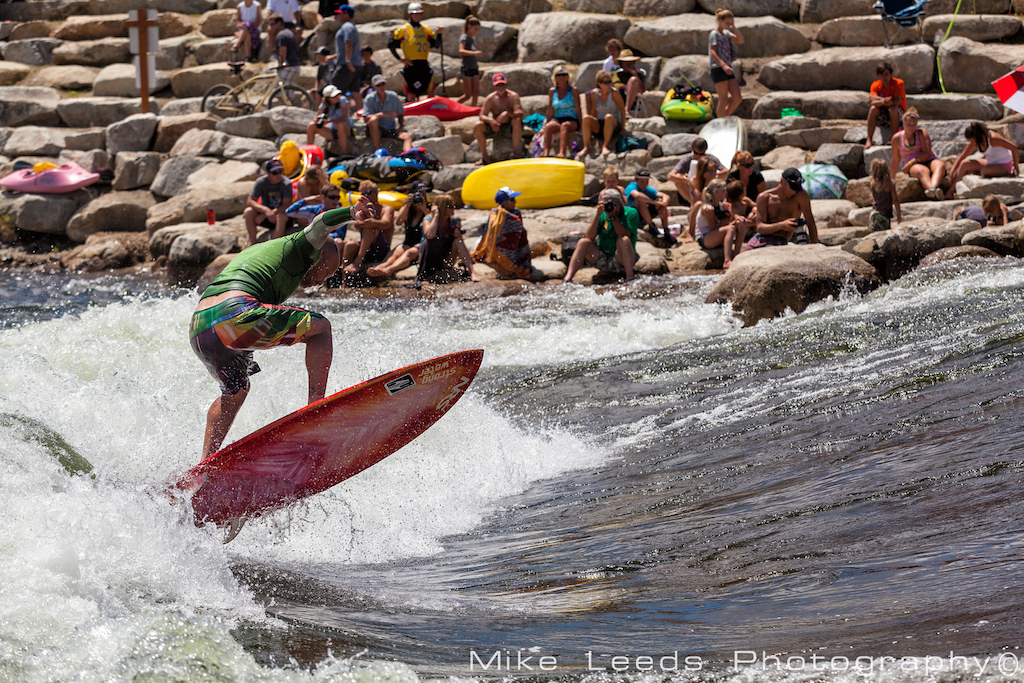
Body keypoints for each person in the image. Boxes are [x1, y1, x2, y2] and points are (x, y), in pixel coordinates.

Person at [190, 208, 344, 459]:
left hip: (200, 328)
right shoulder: (299, 248)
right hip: (235, 315)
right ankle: (316, 409)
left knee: (235, 391)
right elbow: (322, 223)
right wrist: (353, 212)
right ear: (317, 257)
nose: (321, 282)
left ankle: (204, 463)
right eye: (326, 272)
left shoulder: (261, 251)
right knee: (321, 329)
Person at [562, 188, 639, 283]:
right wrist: (597, 216)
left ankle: (629, 277)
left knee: (623, 240)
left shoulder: (631, 213)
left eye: (611, 204)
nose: (608, 207)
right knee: (583, 242)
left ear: (619, 203)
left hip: (621, 258)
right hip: (603, 258)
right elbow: (589, 236)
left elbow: (623, 234)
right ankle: (568, 278)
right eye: (605, 204)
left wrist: (613, 217)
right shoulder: (602, 214)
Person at [471, 185, 544, 281]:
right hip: (497, 254)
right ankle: (507, 264)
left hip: (516, 252)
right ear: (504, 202)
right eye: (512, 200)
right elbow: (489, 236)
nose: (515, 202)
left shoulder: (516, 213)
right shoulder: (495, 215)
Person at [366, 182, 430, 278]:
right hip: (408, 243)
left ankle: (389, 270)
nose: (422, 196)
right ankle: (380, 267)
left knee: (408, 253)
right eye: (419, 194)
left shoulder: (430, 207)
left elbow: (432, 219)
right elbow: (398, 222)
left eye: (424, 194)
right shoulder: (408, 209)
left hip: (423, 243)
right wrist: (407, 205)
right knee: (394, 253)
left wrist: (424, 208)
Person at [745, 167, 818, 250]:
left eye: (797, 189)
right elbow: (760, 228)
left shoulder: (801, 196)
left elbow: (810, 222)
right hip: (759, 239)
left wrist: (815, 246)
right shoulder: (764, 198)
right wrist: (781, 225)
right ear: (782, 182)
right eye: (792, 188)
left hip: (780, 241)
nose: (794, 192)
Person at [415, 193, 479, 283]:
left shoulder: (454, 220)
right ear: (442, 207)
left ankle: (472, 272)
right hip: (430, 260)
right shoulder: (428, 219)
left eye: (454, 206)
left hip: (447, 259)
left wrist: (457, 234)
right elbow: (429, 234)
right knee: (429, 241)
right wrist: (436, 215)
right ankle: (426, 276)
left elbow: (460, 243)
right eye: (450, 206)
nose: (453, 209)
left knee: (458, 241)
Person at [338, 180, 395, 280]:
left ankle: (358, 262)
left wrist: (372, 222)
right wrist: (361, 221)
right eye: (363, 194)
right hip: (365, 249)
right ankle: (344, 280)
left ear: (376, 193)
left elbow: (386, 223)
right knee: (350, 244)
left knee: (371, 227)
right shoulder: (362, 209)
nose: (366, 196)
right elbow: (356, 224)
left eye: (368, 193)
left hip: (380, 249)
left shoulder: (386, 209)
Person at [947, 122, 1020, 198]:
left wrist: (1016, 168)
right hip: (990, 163)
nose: (971, 143)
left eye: (972, 141)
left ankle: (978, 173)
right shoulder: (976, 142)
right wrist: (952, 172)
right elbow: (962, 157)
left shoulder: (993, 138)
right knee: (964, 164)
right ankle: (950, 192)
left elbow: (1014, 148)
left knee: (985, 171)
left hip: (1003, 165)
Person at [389, 1, 442, 102]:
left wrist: (439, 34)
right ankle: (411, 112)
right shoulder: (403, 30)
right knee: (411, 91)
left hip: (423, 64)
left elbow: (436, 45)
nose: (417, 16)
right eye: (415, 14)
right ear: (410, 15)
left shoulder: (426, 30)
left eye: (419, 14)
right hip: (411, 65)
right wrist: (400, 59)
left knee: (430, 89)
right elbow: (390, 44)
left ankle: (430, 110)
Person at [890, 108, 946, 201]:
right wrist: (892, 178)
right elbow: (895, 159)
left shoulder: (921, 133)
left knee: (940, 165)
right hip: (914, 166)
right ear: (903, 123)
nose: (911, 127)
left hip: (924, 160)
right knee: (922, 171)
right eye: (908, 124)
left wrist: (910, 163)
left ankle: (933, 189)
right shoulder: (897, 138)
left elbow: (926, 153)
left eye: (913, 125)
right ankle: (933, 190)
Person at [473, 73, 524, 165]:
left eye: (502, 84)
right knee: (478, 125)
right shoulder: (491, 98)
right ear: (494, 86)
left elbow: (520, 113)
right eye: (498, 85)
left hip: (509, 126)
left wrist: (508, 114)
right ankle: (484, 157)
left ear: (506, 84)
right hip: (495, 126)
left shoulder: (513, 96)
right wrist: (490, 121)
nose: (500, 87)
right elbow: (482, 115)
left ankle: (515, 153)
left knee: (516, 121)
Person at [694, 179, 744, 269]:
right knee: (730, 228)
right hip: (705, 238)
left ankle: (736, 255)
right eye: (724, 190)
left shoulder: (721, 205)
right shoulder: (708, 208)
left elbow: (733, 209)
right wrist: (729, 224)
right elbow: (713, 228)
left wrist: (736, 217)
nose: (726, 192)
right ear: (716, 191)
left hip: (714, 235)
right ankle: (727, 260)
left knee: (741, 223)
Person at [244, 159, 294, 245]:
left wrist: (266, 214)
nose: (278, 175)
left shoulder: (286, 183)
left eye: (280, 172)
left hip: (281, 216)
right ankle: (252, 244)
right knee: (248, 212)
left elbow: (286, 205)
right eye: (275, 173)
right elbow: (250, 201)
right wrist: (265, 210)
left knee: (281, 217)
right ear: (268, 173)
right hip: (268, 216)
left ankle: (273, 246)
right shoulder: (261, 182)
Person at [577, 70, 625, 159]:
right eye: (606, 83)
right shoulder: (594, 94)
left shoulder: (614, 93)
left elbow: (622, 110)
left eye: (610, 82)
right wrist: (591, 128)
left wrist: (623, 128)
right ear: (599, 83)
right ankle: (586, 147)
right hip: (600, 123)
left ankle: (605, 146)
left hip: (613, 122)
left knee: (608, 117)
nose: (609, 85)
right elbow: (594, 111)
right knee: (586, 118)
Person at [363, 74, 414, 153]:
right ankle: (378, 150)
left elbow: (400, 113)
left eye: (383, 84)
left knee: (408, 136)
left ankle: (408, 154)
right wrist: (382, 114)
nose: (381, 87)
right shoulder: (370, 99)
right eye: (378, 85)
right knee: (373, 119)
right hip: (377, 129)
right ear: (373, 87)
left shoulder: (393, 96)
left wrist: (401, 126)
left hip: (390, 129)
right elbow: (366, 118)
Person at [668, 137, 727, 205]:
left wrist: (713, 175)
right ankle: (694, 203)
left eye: (701, 154)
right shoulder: (688, 159)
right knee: (678, 179)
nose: (698, 157)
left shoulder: (711, 159)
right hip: (694, 186)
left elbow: (725, 172)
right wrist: (685, 179)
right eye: (696, 153)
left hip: (707, 185)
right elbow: (670, 176)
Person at [709, 9, 744, 119]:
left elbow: (740, 40)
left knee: (737, 97)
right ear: (720, 20)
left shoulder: (727, 33)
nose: (729, 25)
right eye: (727, 23)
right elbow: (712, 52)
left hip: (728, 67)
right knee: (723, 99)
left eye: (730, 23)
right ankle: (721, 120)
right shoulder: (714, 34)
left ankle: (722, 118)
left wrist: (734, 27)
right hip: (718, 68)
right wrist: (723, 65)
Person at [624, 168, 673, 244]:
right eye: (642, 182)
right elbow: (636, 195)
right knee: (641, 201)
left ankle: (666, 231)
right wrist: (654, 202)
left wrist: (663, 202)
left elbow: (665, 196)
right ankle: (651, 227)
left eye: (647, 182)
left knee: (661, 203)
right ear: (635, 180)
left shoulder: (647, 189)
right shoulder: (632, 186)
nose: (644, 184)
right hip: (633, 216)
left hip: (644, 215)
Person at [542, 69, 582, 158]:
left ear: (568, 77)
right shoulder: (552, 91)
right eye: (559, 75)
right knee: (549, 127)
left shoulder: (573, 90)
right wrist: (545, 125)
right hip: (558, 118)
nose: (561, 77)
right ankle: (546, 151)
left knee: (565, 126)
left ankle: (562, 152)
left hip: (572, 119)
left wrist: (581, 126)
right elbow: (550, 109)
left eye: (564, 75)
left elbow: (578, 108)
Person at [865, 62, 905, 148]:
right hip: (882, 114)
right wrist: (884, 101)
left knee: (892, 109)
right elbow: (871, 101)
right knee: (873, 109)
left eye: (887, 74)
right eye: (882, 75)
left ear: (891, 74)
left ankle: (894, 139)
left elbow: (897, 101)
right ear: (878, 76)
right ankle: (869, 140)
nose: (885, 77)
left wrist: (879, 100)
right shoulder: (875, 85)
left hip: (898, 115)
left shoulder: (898, 83)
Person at [307, 84, 351, 153]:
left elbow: (344, 119)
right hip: (333, 130)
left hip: (346, 129)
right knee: (311, 125)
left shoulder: (343, 101)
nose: (337, 97)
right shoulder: (324, 105)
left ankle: (343, 152)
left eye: (338, 95)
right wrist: (318, 120)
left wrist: (329, 121)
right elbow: (316, 117)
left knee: (340, 125)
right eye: (334, 96)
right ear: (328, 98)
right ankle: (309, 151)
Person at [330, 5, 361, 97]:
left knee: (334, 90)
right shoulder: (351, 26)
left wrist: (348, 61)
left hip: (346, 65)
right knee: (354, 91)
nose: (337, 16)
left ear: (346, 15)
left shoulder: (347, 27)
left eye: (340, 13)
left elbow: (348, 43)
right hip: (356, 63)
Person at [868, 158, 901, 232]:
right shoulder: (889, 184)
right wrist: (899, 214)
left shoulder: (873, 184)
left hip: (874, 214)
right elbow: (895, 200)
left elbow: (874, 199)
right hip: (884, 215)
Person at [269, 14, 301, 88]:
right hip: (295, 66)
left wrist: (280, 66)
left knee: (278, 92)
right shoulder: (288, 32)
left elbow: (282, 52)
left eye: (272, 24)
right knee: (288, 94)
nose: (271, 27)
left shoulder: (281, 35)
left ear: (279, 23)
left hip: (288, 68)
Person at [457, 16, 483, 107]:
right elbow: (461, 50)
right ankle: (454, 106)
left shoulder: (472, 38)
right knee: (468, 95)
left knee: (476, 92)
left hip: (474, 66)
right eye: (475, 29)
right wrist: (474, 53)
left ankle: (473, 108)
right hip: (467, 67)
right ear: (469, 26)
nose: (476, 31)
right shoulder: (464, 37)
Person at [612, 49, 646, 118]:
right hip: (617, 96)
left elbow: (642, 91)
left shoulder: (638, 76)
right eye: (626, 62)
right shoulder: (614, 74)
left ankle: (626, 111)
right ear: (621, 63)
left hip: (632, 98)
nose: (629, 64)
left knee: (633, 80)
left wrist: (634, 74)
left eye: (631, 62)